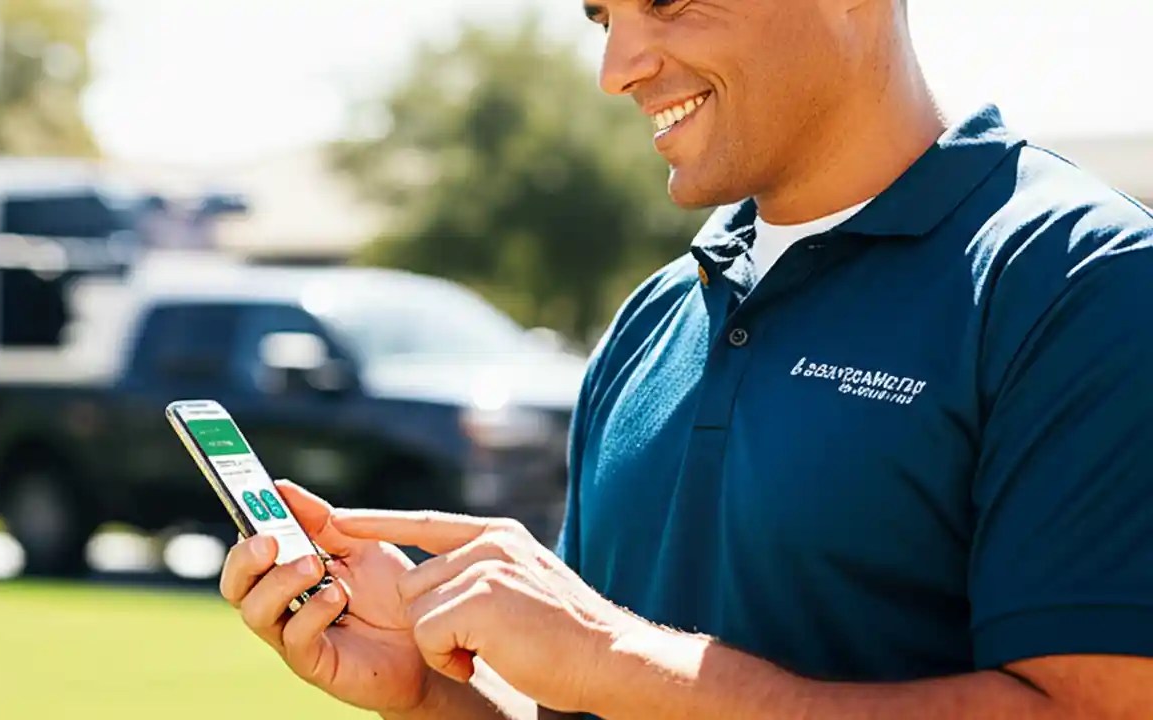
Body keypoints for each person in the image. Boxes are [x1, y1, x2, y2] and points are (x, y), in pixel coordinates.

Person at [220, 0, 1153, 717]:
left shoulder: (1084, 280)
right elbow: (599, 699)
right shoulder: (654, 318)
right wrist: (435, 695)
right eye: (602, 16)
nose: (615, 68)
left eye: (666, 1)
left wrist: (613, 653)